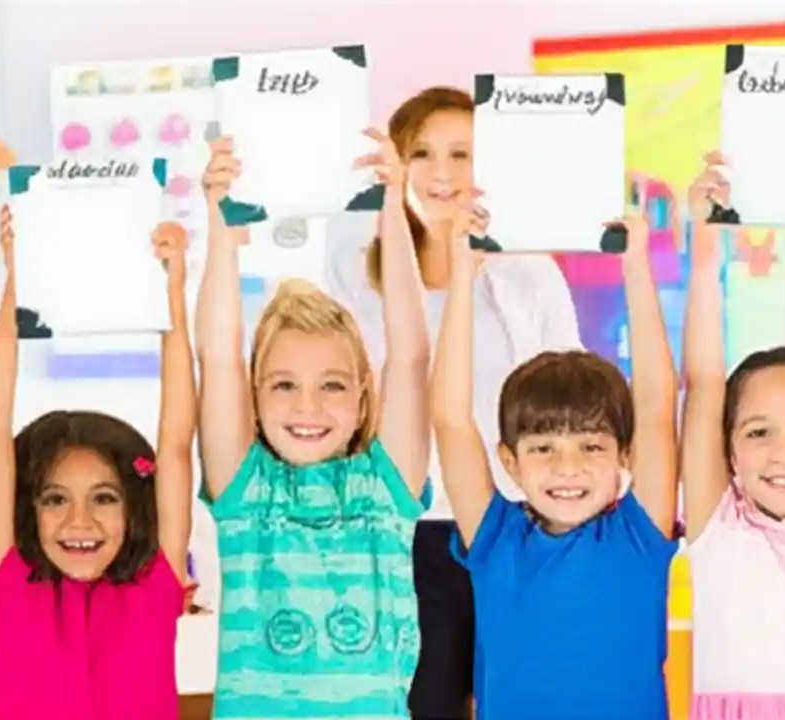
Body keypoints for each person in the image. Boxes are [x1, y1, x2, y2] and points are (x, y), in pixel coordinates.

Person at [325, 86, 583, 720]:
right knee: (424, 703)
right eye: (422, 153)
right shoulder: (358, 271)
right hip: (403, 535)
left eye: (462, 154)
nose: (442, 174)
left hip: (516, 525)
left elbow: (575, 400)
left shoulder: (531, 272)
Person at [197, 128, 432, 720]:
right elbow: (219, 355)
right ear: (254, 397)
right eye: (284, 385)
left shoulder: (383, 489)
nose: (308, 407)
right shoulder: (245, 492)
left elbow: (410, 354)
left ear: (360, 397)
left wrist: (394, 208)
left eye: (331, 385)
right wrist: (221, 229)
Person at [430, 188, 678, 720]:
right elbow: (450, 420)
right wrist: (463, 277)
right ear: (510, 460)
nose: (569, 466)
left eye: (591, 445)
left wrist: (635, 265)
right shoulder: (497, 541)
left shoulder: (639, 538)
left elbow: (656, 406)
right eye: (544, 447)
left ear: (624, 456)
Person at [0, 209, 196, 719]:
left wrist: (172, 302)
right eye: (55, 499)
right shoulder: (11, 583)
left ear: (135, 504)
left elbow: (179, 442)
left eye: (104, 497)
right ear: (28, 507)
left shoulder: (154, 585)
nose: (80, 521)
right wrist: (16, 280)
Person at [681, 153, 785, 718]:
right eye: (757, 431)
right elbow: (703, 383)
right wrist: (704, 245)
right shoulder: (716, 525)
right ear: (727, 451)